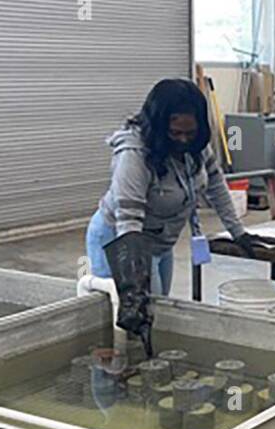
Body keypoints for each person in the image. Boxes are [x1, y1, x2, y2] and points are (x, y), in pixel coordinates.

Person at [87, 79, 258, 352]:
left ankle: (147, 374)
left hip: (160, 243)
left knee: (158, 315)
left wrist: (239, 233)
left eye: (189, 133)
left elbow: (215, 183)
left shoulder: (196, 145)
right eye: (175, 133)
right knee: (128, 323)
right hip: (122, 242)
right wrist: (133, 287)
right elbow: (128, 221)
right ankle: (116, 383)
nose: (183, 140)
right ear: (158, 126)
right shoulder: (135, 153)